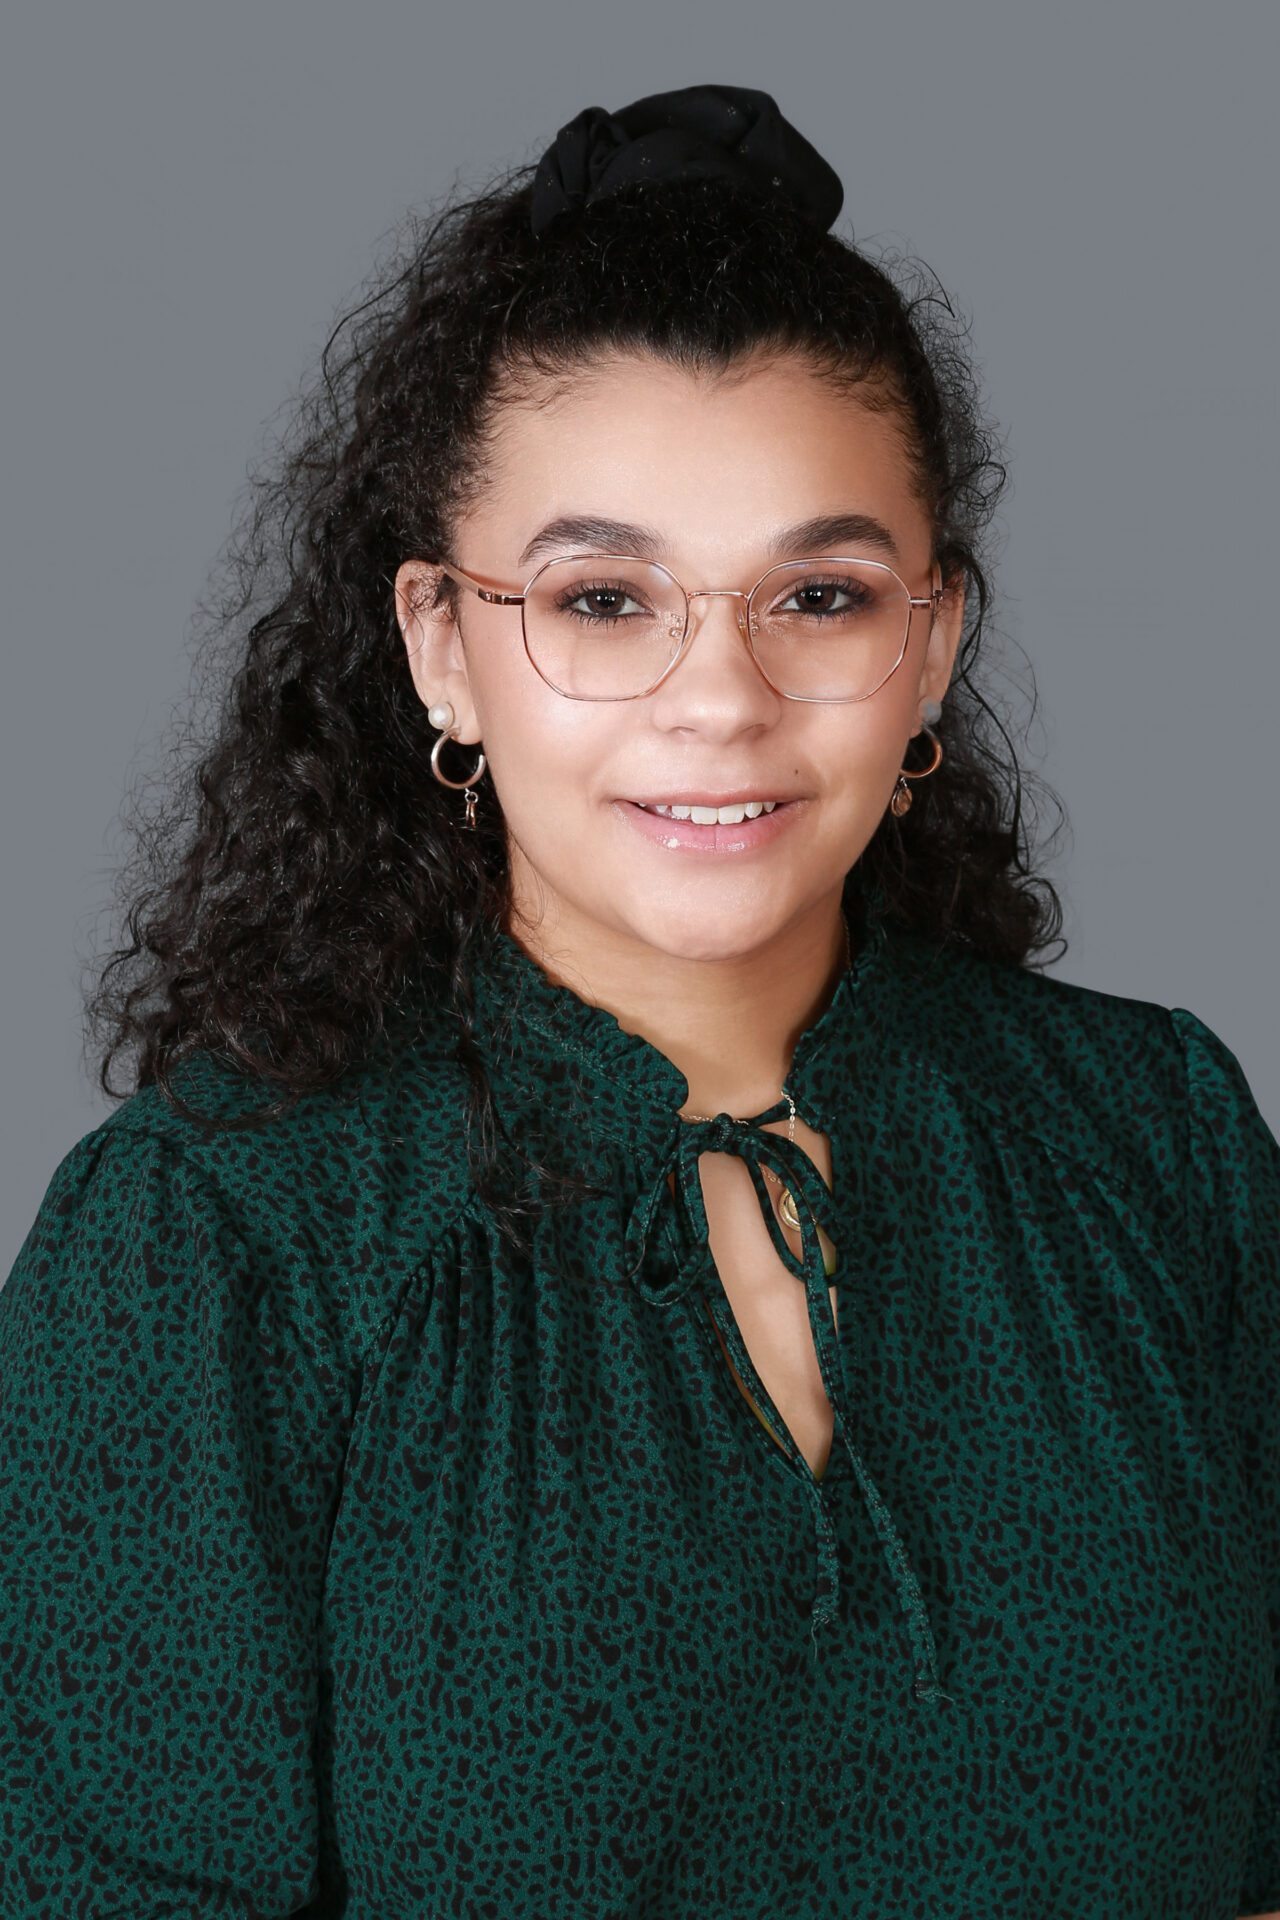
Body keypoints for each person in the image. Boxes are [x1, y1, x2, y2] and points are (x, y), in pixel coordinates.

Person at [0, 80, 1276, 1920]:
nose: (721, 700)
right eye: (604, 600)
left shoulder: (1161, 1141)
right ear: (443, 647)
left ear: (932, 641)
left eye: (819, 597)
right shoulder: (211, 1241)